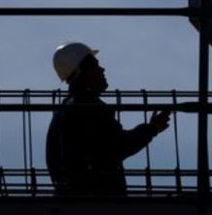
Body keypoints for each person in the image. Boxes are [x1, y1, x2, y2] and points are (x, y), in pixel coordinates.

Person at [46, 42, 171, 196]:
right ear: (81, 72)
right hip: (96, 199)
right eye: (95, 66)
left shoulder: (65, 110)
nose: (102, 69)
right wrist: (152, 128)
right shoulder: (87, 108)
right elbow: (117, 146)